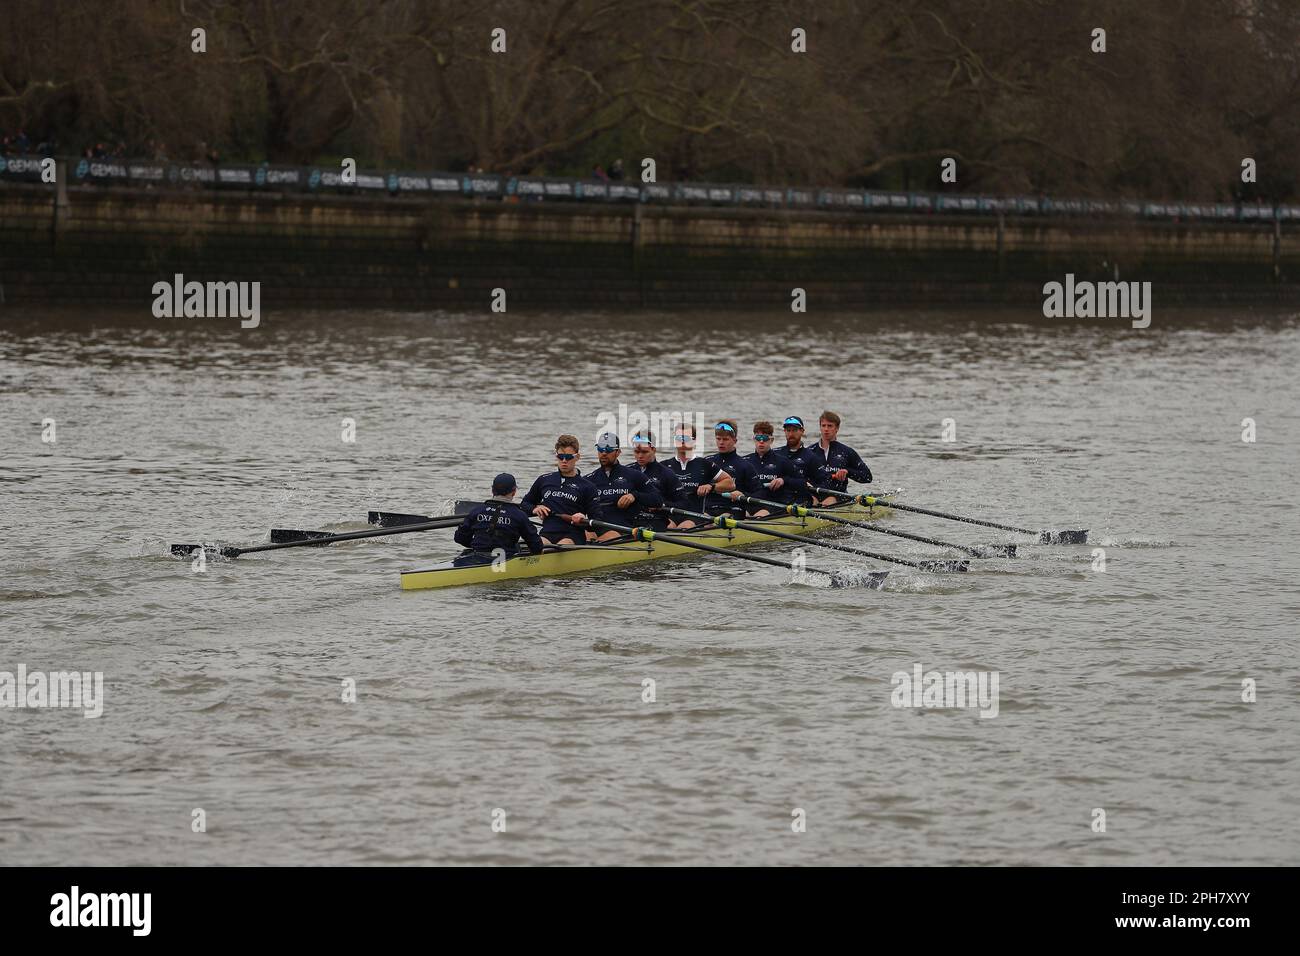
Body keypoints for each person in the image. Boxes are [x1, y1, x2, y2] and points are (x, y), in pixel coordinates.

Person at [521, 434, 598, 546]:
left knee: (560, 546)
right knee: (536, 546)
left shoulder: (587, 486)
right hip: (548, 532)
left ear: (577, 457)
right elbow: (524, 505)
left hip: (573, 535)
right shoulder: (544, 480)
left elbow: (596, 520)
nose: (564, 461)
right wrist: (534, 509)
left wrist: (582, 519)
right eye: (561, 457)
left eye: (569, 457)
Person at [585, 431, 662, 542]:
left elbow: (658, 500)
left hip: (622, 529)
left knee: (610, 535)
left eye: (609, 450)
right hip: (595, 527)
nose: (604, 453)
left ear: (618, 452)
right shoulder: (589, 479)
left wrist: (634, 496)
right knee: (585, 533)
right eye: (600, 450)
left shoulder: (633, 475)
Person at [453, 473, 544, 565]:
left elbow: (460, 538)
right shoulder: (519, 515)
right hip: (506, 560)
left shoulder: (477, 511)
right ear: (514, 492)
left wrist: (478, 545)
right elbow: (537, 546)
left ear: (492, 490)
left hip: (477, 556)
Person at [662, 423, 735, 528]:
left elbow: (730, 484)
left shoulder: (705, 464)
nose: (682, 441)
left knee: (684, 527)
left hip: (694, 515)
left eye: (686, 438)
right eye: (678, 438)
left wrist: (711, 486)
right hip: (670, 513)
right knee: (667, 527)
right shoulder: (664, 466)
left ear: (694, 440)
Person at [742, 420, 809, 516]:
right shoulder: (746, 461)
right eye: (758, 438)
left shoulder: (782, 461)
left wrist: (783, 480)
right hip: (751, 502)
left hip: (774, 504)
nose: (761, 442)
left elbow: (802, 483)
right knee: (738, 514)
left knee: (757, 517)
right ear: (754, 439)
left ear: (771, 440)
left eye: (765, 438)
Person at [810, 410, 872, 504]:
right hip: (815, 493)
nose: (826, 429)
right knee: (810, 501)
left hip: (838, 495)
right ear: (820, 427)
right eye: (823, 425)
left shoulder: (847, 452)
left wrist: (847, 472)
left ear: (837, 428)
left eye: (830, 426)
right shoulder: (810, 451)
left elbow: (867, 477)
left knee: (828, 502)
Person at [625, 430, 681, 532]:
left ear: (654, 450)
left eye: (644, 452)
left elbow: (684, 503)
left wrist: (663, 505)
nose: (640, 456)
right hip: (631, 518)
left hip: (657, 518)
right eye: (636, 452)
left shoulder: (666, 473)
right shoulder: (626, 471)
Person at [703, 420, 759, 517]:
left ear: (735, 441)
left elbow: (759, 493)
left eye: (725, 439)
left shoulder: (745, 465)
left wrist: (743, 494)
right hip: (708, 509)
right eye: (718, 438)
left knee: (723, 517)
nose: (721, 442)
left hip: (733, 509)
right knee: (703, 518)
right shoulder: (707, 462)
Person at [772, 416, 820, 505]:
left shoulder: (811, 457)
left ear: (802, 431)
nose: (791, 433)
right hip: (778, 499)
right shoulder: (775, 453)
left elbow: (823, 481)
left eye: (794, 430)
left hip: (801, 500)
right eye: (788, 430)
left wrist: (815, 496)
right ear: (784, 432)